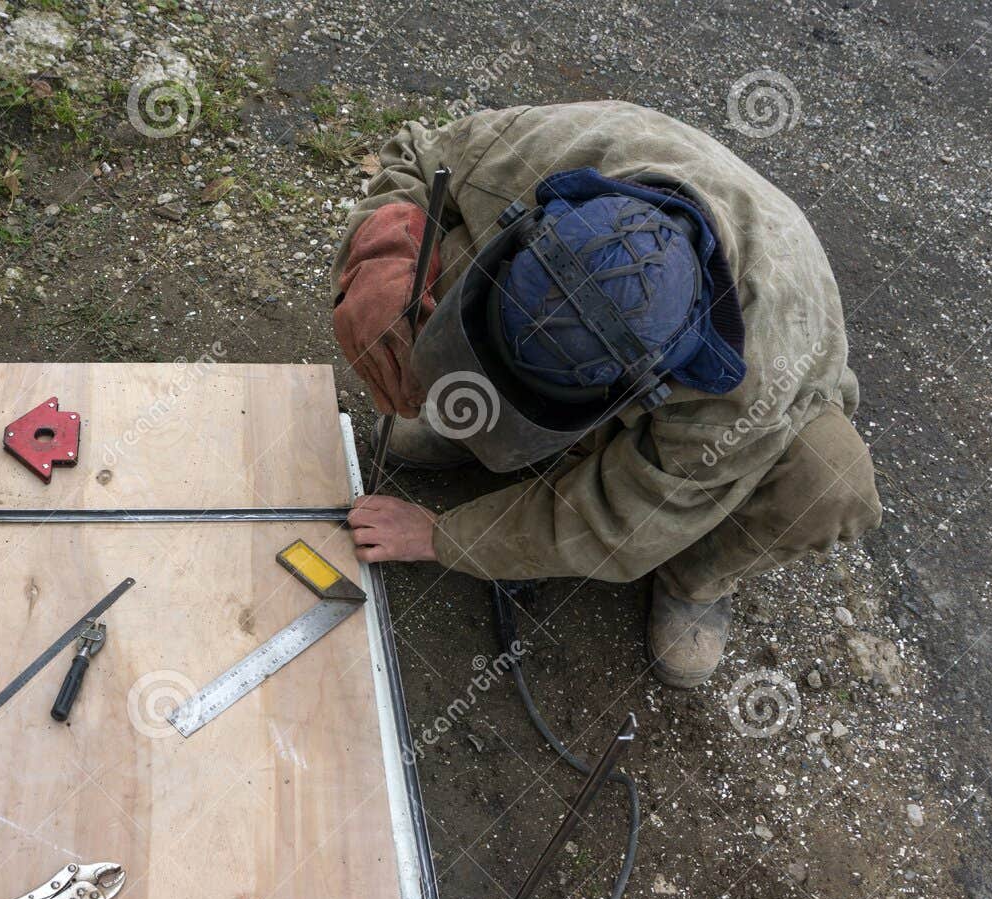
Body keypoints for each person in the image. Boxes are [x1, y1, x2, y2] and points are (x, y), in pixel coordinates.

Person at [333, 101, 882, 688]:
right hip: (599, 292)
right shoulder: (544, 151)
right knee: (448, 252)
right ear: (531, 232)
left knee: (827, 482)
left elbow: (619, 516)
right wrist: (383, 260)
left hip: (749, 406)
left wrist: (442, 537)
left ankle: (693, 579)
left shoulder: (740, 397)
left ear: (640, 388)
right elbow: (419, 157)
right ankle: (472, 424)